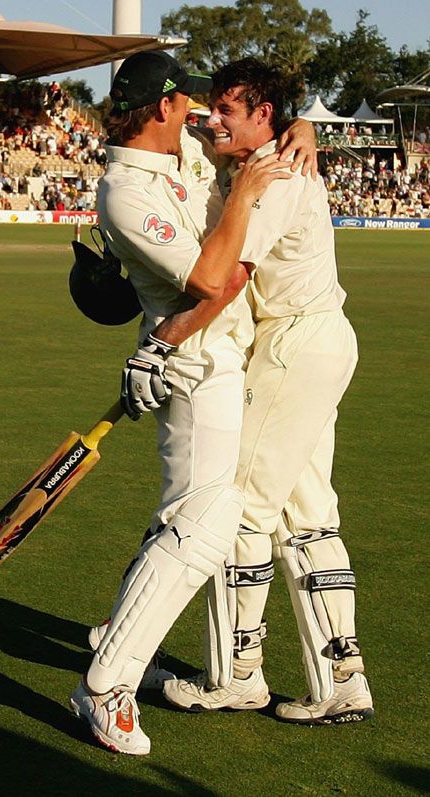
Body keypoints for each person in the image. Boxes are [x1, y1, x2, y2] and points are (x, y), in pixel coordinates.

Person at [68, 50, 314, 756]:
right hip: (194, 364)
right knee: (203, 527)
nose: (202, 113)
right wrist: (242, 197)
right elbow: (212, 277)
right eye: (188, 101)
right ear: (165, 105)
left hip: (220, 358)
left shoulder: (183, 148)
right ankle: (105, 683)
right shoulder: (124, 191)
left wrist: (305, 132)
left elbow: (264, 128)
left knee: (191, 519)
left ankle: (116, 650)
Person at [122, 57, 373, 726]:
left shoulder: (274, 176)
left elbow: (224, 279)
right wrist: (298, 126)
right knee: (308, 512)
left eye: (227, 109)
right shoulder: (263, 150)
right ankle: (342, 678)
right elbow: (181, 134)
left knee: (239, 507)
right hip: (315, 342)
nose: (212, 118)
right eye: (212, 107)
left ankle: (236, 675)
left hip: (292, 346)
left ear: (261, 116)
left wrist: (162, 342)